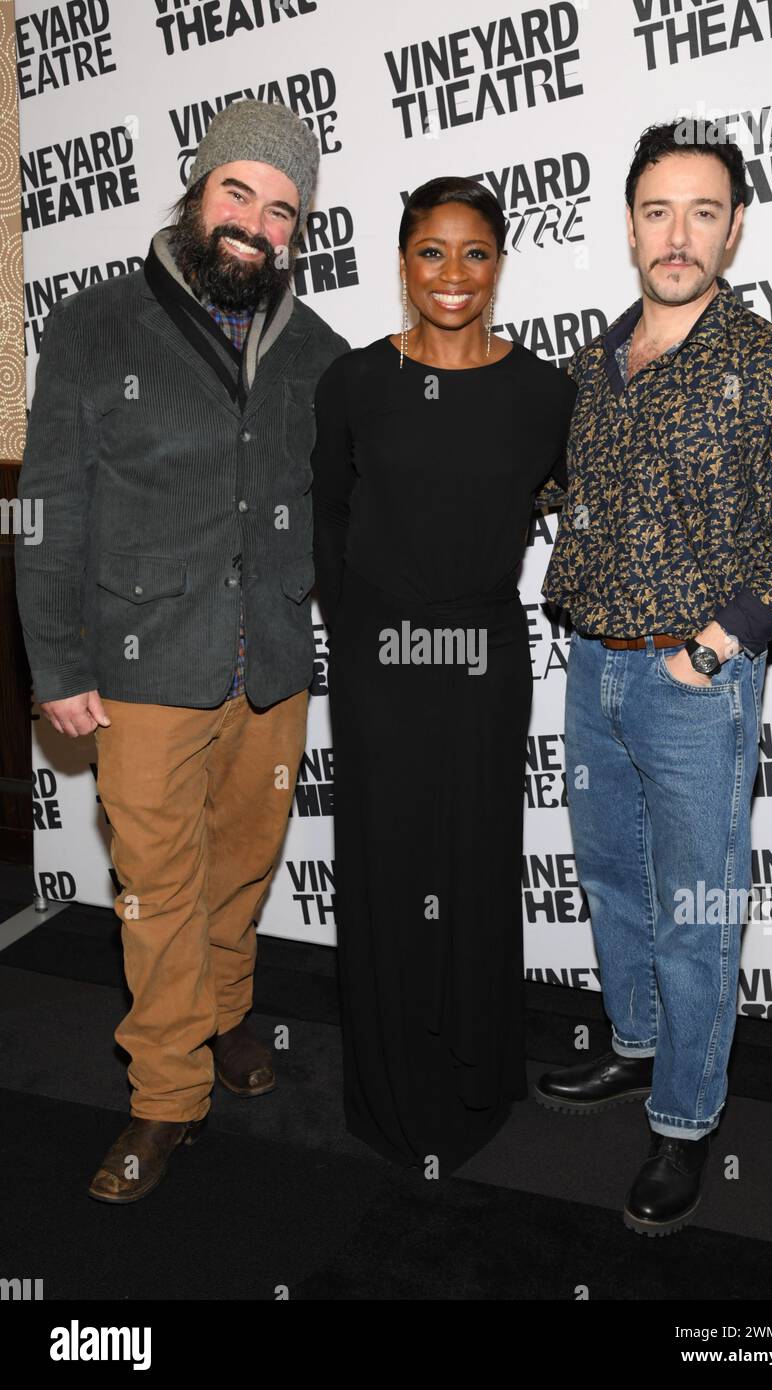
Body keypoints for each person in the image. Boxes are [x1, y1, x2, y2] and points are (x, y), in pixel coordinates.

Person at [15, 99, 350, 1204]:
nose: (255, 223)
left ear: (298, 228)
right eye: (237, 193)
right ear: (199, 192)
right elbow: (48, 509)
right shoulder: (94, 326)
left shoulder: (319, 351)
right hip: (142, 665)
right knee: (157, 890)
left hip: (271, 666)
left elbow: (350, 502)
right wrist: (57, 664)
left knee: (242, 863)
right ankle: (166, 1095)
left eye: (281, 209)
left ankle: (223, 1014)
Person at [535, 120, 772, 1235]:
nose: (677, 235)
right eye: (657, 211)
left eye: (702, 212)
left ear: (733, 229)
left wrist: (712, 648)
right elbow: (549, 490)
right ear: (630, 227)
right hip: (590, 667)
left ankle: (683, 1118)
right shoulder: (591, 366)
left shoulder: (771, 370)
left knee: (696, 911)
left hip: (693, 684)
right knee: (611, 881)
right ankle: (633, 1045)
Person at [311, 176, 577, 1176]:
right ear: (402, 262)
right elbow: (328, 517)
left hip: (483, 661)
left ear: (498, 264)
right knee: (386, 865)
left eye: (474, 252)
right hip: (379, 661)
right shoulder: (354, 382)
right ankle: (390, 1084)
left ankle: (471, 1076)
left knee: (472, 862)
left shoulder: (545, 394)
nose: (452, 273)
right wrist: (359, 633)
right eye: (432, 251)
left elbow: (577, 513)